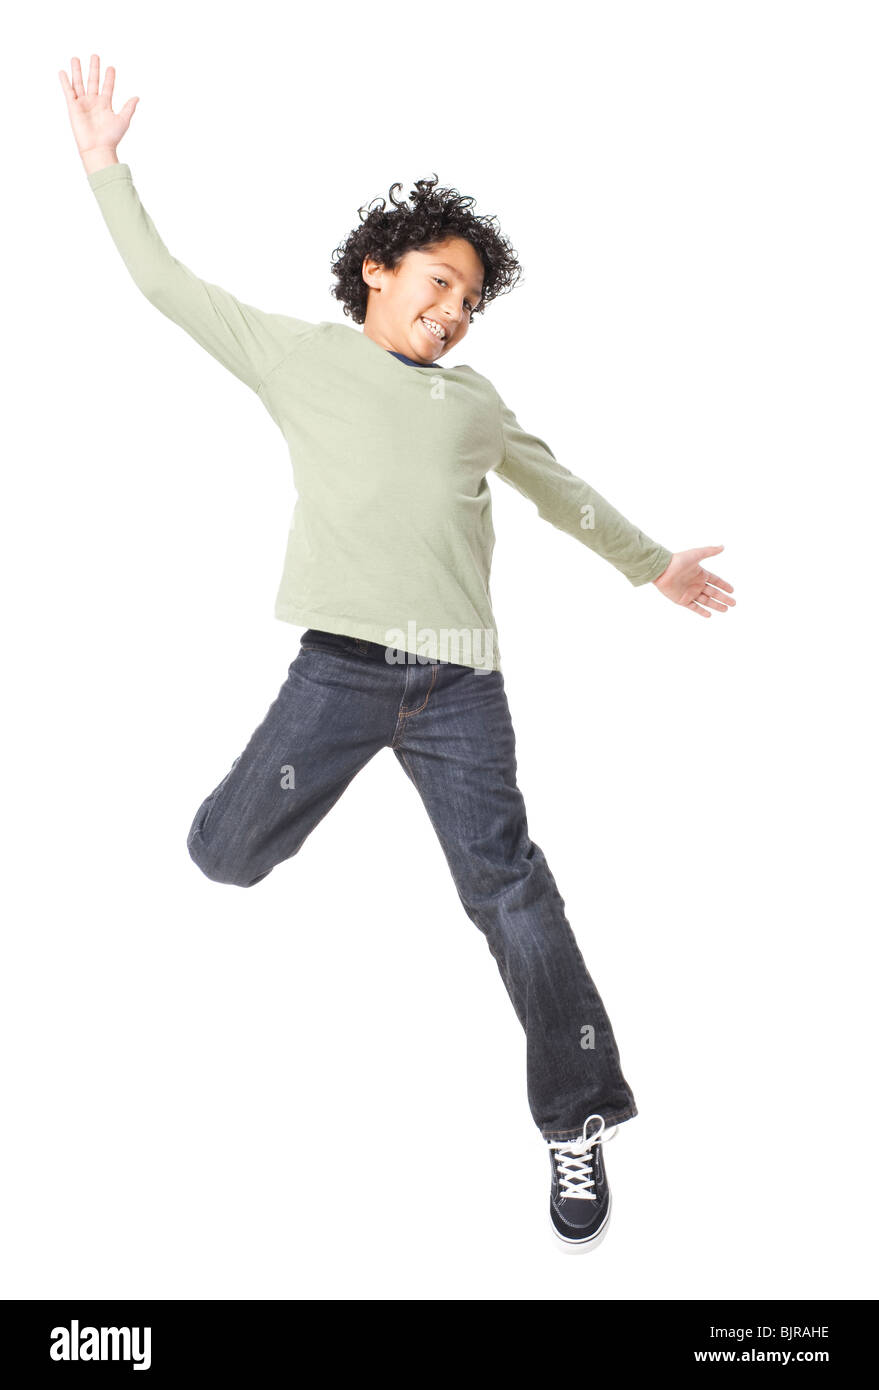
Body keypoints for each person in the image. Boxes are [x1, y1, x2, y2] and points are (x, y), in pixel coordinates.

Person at [60, 54, 735, 1251]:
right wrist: (107, 166)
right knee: (223, 855)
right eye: (438, 282)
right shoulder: (299, 357)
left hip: (458, 686)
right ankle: (236, 825)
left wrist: (654, 563)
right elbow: (164, 284)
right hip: (340, 676)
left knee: (512, 890)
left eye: (471, 298)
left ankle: (577, 1116)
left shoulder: (472, 399)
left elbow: (560, 492)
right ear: (379, 272)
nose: (453, 309)